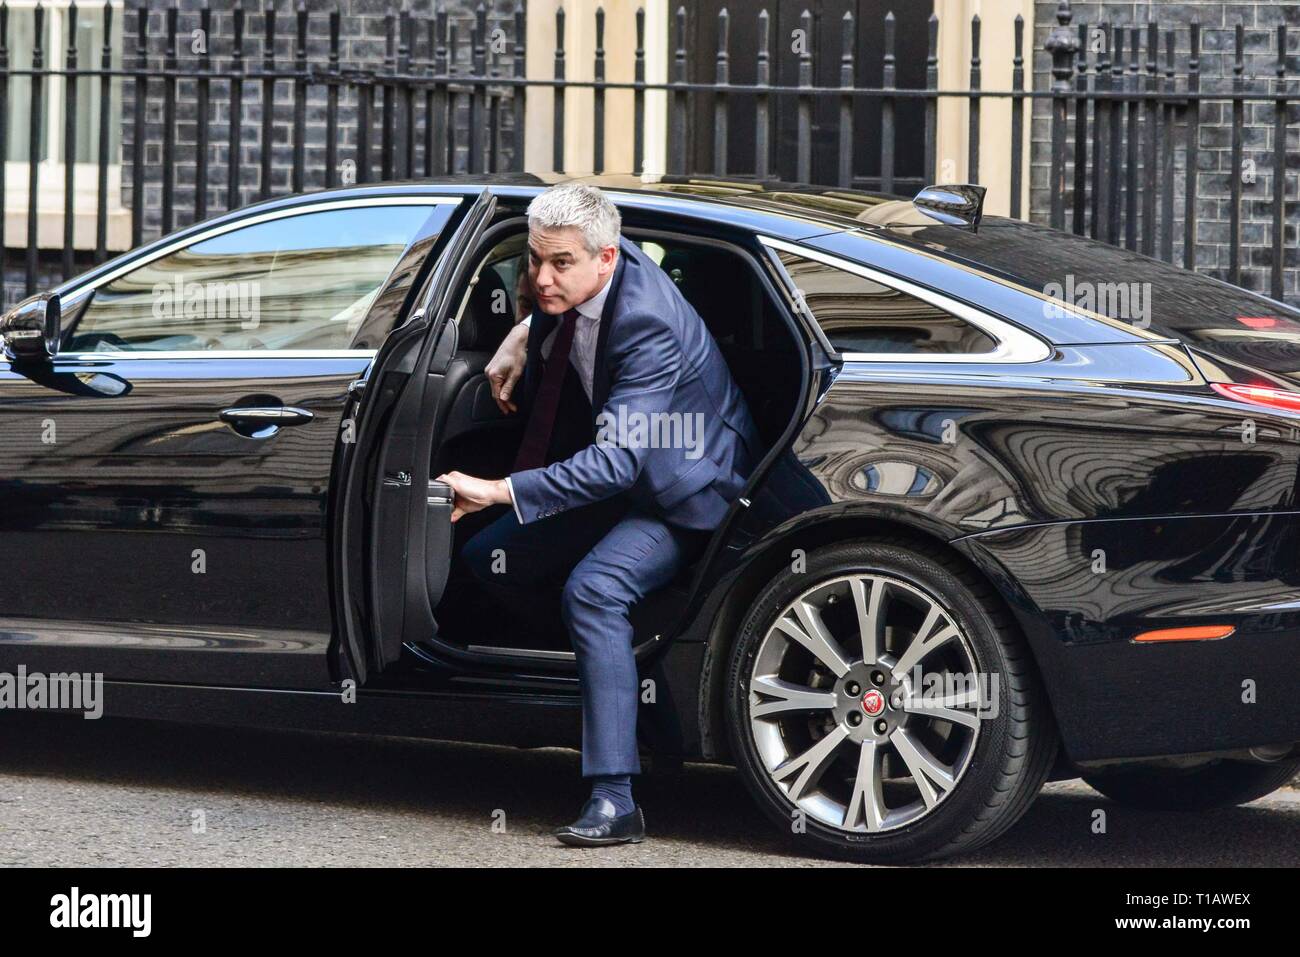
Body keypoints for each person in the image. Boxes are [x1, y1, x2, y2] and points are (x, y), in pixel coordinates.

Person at [435, 182, 760, 847]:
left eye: (559, 264)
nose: (542, 277)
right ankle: (626, 689)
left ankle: (616, 798)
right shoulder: (580, 280)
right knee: (488, 559)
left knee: (594, 589)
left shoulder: (647, 322)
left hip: (684, 488)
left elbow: (616, 465)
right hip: (627, 473)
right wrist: (528, 327)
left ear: (607, 259)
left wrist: (497, 488)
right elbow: (560, 295)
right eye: (533, 260)